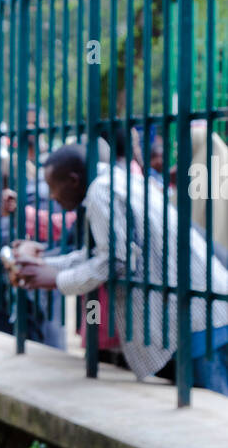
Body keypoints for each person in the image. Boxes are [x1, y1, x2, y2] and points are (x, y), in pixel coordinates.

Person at [16, 144, 228, 394]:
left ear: (73, 180)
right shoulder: (116, 179)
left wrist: (59, 279)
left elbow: (117, 259)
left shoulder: (100, 192)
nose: (52, 196)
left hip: (195, 316)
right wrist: (46, 266)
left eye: (53, 187)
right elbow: (99, 253)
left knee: (213, 409)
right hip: (201, 306)